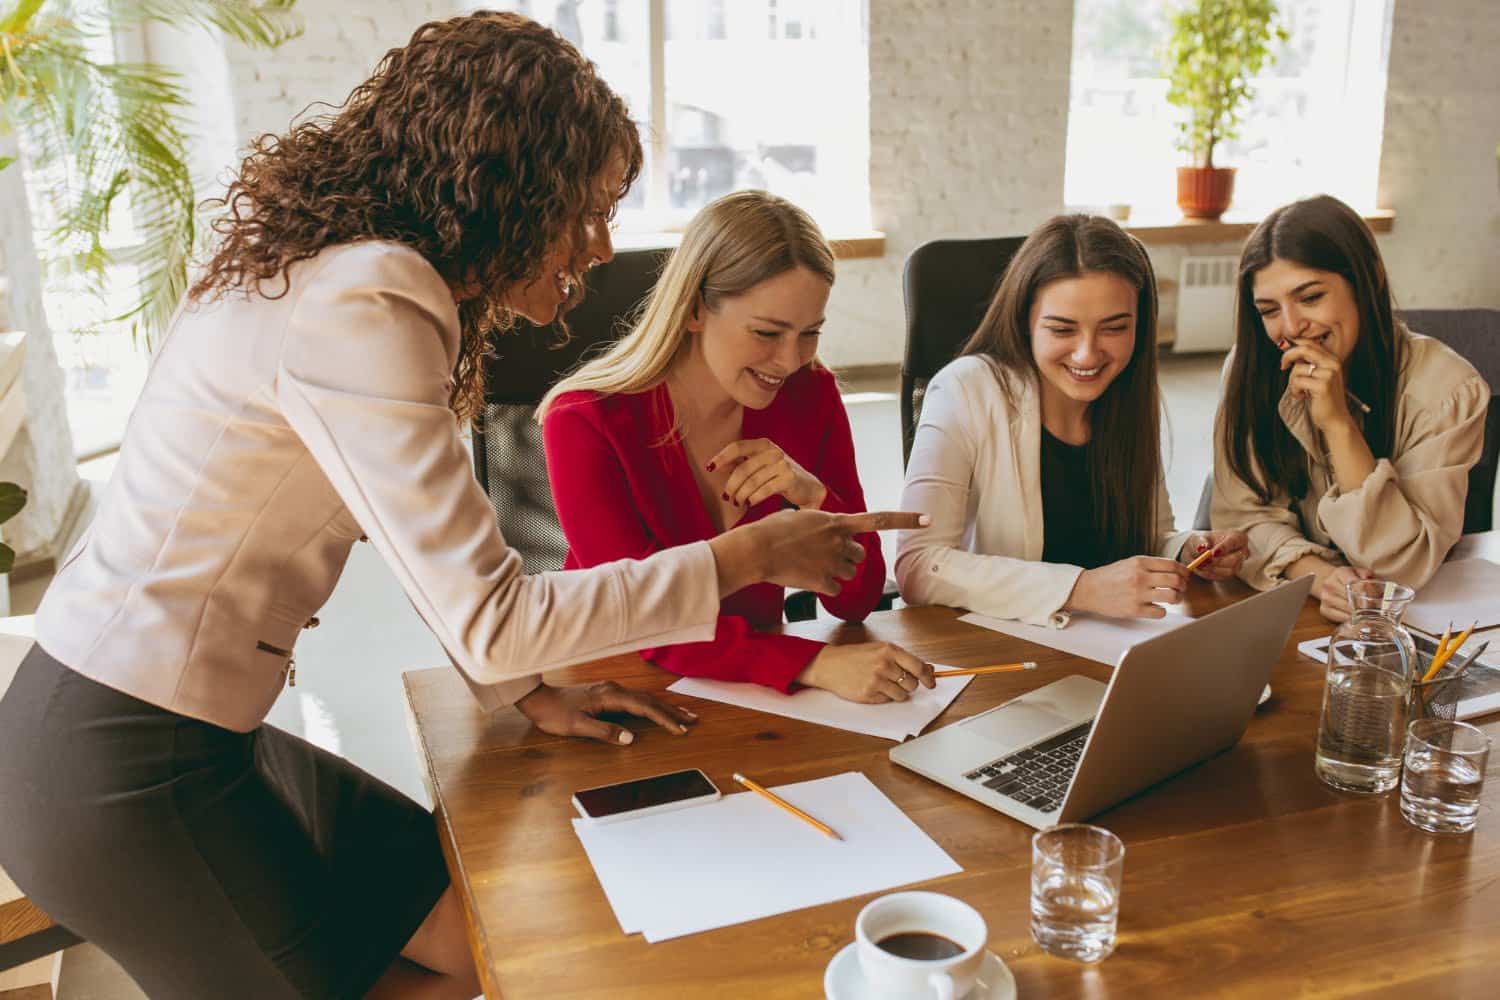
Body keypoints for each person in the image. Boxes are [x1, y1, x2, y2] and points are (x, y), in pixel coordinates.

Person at [0, 14, 915, 1000]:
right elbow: (493, 616)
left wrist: (525, 693)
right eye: (586, 211)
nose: (602, 246)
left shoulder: (345, 268)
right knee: (497, 962)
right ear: (505, 190)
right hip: (128, 761)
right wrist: (746, 558)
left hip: (184, 728)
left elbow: (429, 551)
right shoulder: (369, 300)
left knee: (492, 940)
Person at [539, 191, 934, 704]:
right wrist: (810, 663)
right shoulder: (584, 420)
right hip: (612, 684)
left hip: (753, 693)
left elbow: (855, 603)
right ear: (695, 310)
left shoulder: (810, 395)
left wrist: (816, 499)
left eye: (810, 332)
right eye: (767, 333)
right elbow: (638, 615)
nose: (790, 360)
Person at [896, 214, 1247, 627]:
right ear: (1026, 322)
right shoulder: (965, 390)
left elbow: (1150, 537)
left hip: (1113, 642)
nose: (1088, 354)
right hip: (1006, 644)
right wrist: (1083, 588)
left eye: (1114, 328)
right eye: (1062, 330)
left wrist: (1187, 550)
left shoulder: (1126, 394)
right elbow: (919, 566)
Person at [1212, 194, 1487, 622]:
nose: (1291, 327)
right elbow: (1242, 517)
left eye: (1310, 297)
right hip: (1301, 607)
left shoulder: (1447, 388)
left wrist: (1338, 425)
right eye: (1269, 310)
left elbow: (1400, 565)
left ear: (1369, 279)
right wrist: (1318, 575)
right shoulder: (1249, 370)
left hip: (1410, 619)